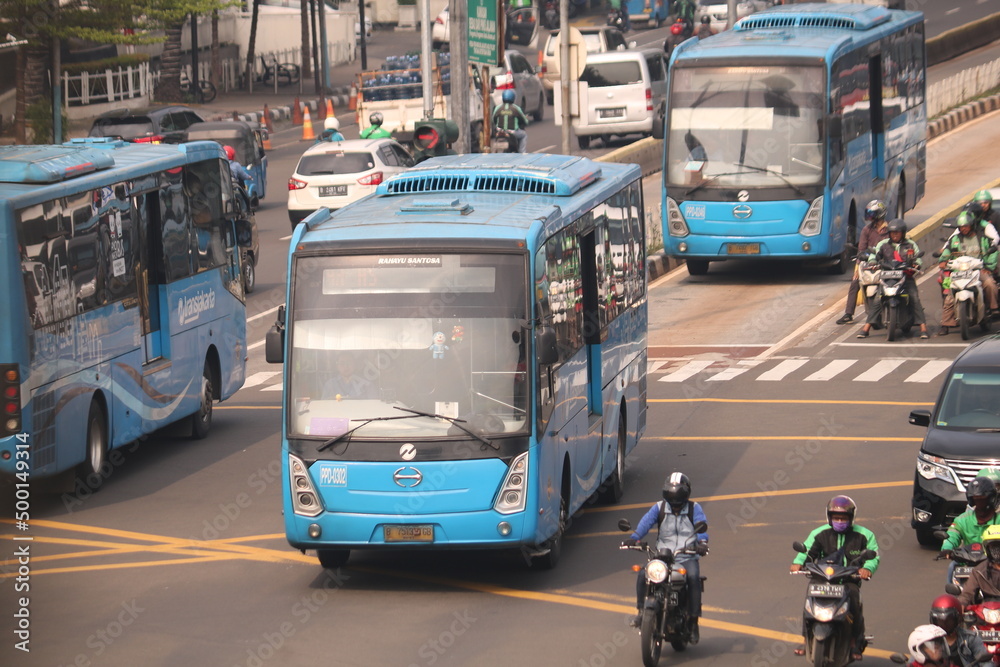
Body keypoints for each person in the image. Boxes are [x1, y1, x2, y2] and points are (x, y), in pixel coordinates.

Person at [789, 495, 879, 661]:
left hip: (848, 581)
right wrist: (798, 563)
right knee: (809, 601)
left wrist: (867, 568)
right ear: (829, 518)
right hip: (822, 579)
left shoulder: (864, 535)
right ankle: (805, 638)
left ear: (851, 518)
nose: (839, 521)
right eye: (836, 518)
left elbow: (873, 556)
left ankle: (855, 642)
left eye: (843, 518)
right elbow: (807, 552)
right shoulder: (819, 533)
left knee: (855, 603)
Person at [621, 472, 708, 641]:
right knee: (642, 574)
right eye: (671, 499)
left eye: (678, 500)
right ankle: (640, 612)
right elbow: (646, 522)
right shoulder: (659, 507)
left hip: (686, 556)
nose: (674, 505)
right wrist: (634, 539)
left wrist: (702, 543)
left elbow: (701, 525)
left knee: (693, 577)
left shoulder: (694, 508)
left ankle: (693, 620)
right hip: (662, 556)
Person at [856, 218, 930, 339]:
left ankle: (923, 328)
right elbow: (874, 255)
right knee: (877, 300)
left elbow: (918, 258)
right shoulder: (883, 244)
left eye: (897, 232)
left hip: (905, 277)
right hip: (886, 277)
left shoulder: (910, 244)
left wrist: (916, 263)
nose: (895, 235)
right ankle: (866, 328)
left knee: (914, 298)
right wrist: (873, 262)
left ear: (903, 233)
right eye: (892, 232)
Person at [937, 211, 999, 336]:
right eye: (961, 227)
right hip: (959, 271)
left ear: (972, 225)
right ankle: (945, 324)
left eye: (966, 226)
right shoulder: (955, 239)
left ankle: (993, 308)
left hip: (978, 270)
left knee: (989, 283)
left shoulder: (982, 238)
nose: (964, 229)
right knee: (949, 296)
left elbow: (993, 252)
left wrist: (988, 267)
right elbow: (947, 251)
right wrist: (943, 261)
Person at [836, 199, 891, 325]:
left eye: (873, 213)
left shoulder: (890, 230)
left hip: (886, 263)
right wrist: (857, 269)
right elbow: (861, 250)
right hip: (869, 262)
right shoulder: (867, 230)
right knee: (855, 282)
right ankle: (848, 314)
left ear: (880, 214)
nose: (870, 217)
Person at [928, 594, 991, 666]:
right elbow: (915, 661)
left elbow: (986, 662)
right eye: (940, 621)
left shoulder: (970, 638)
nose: (944, 625)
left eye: (948, 621)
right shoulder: (927, 641)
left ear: (958, 619)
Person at [958, 524, 1000, 607]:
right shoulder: (979, 571)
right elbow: (967, 594)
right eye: (994, 547)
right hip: (988, 612)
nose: (997, 551)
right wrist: (961, 605)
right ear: (986, 548)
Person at [492, 89, 529, 154]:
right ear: (513, 98)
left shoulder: (497, 108)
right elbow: (525, 121)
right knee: (524, 135)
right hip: (512, 132)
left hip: (499, 132)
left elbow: (493, 120)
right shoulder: (516, 108)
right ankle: (522, 153)